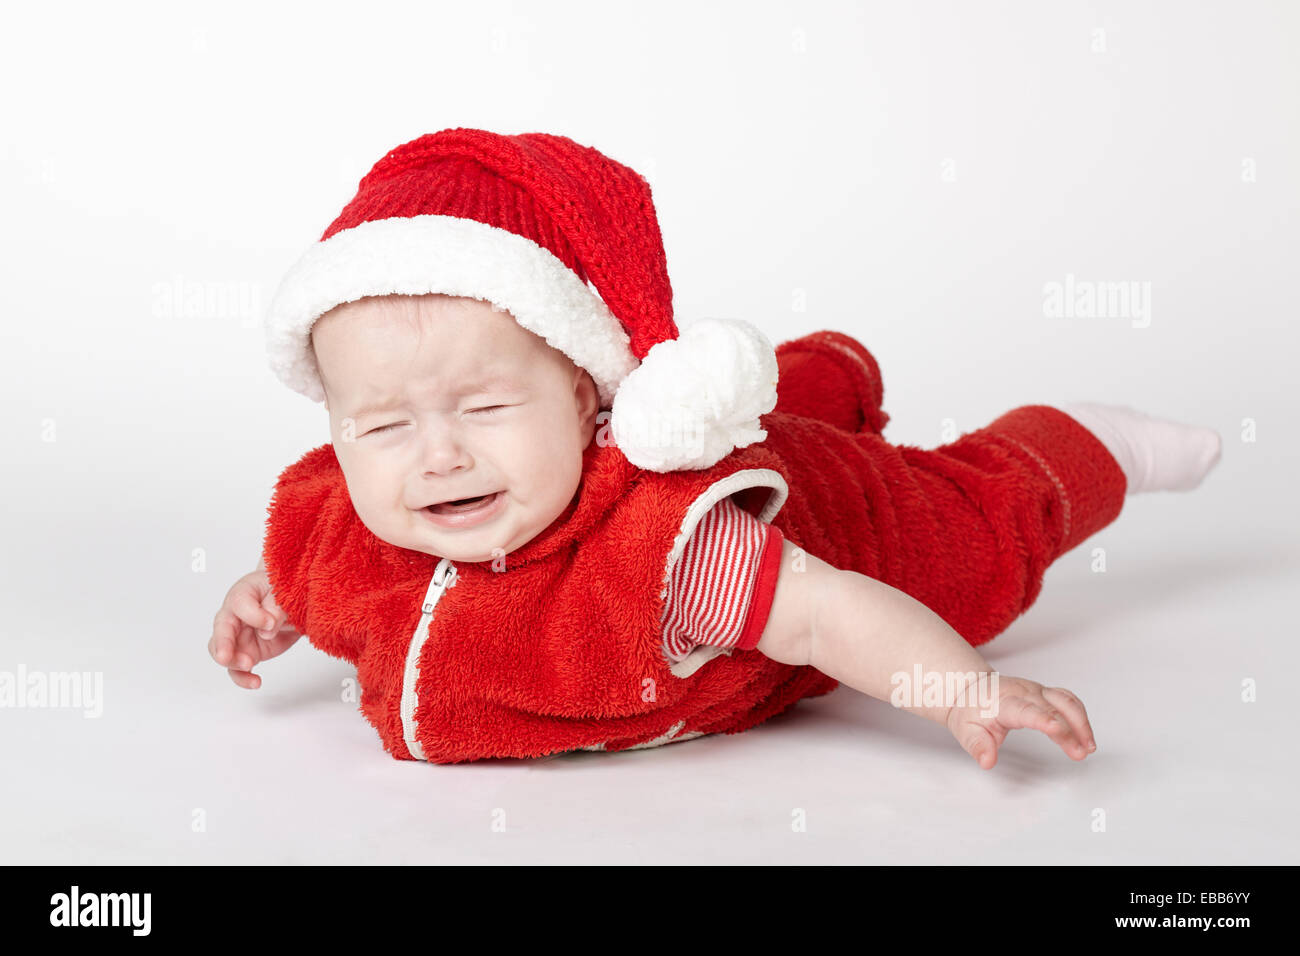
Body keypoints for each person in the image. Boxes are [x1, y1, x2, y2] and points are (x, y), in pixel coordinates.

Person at [208, 129, 1221, 767]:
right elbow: (334, 562)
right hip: (745, 450)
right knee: (791, 399)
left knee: (981, 528)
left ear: (585, 398)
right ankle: (826, 371)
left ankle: (1092, 439)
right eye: (383, 426)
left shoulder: (669, 557)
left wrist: (960, 689)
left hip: (853, 528)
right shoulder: (346, 511)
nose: (435, 458)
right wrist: (273, 596)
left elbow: (826, 613)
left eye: (483, 408)